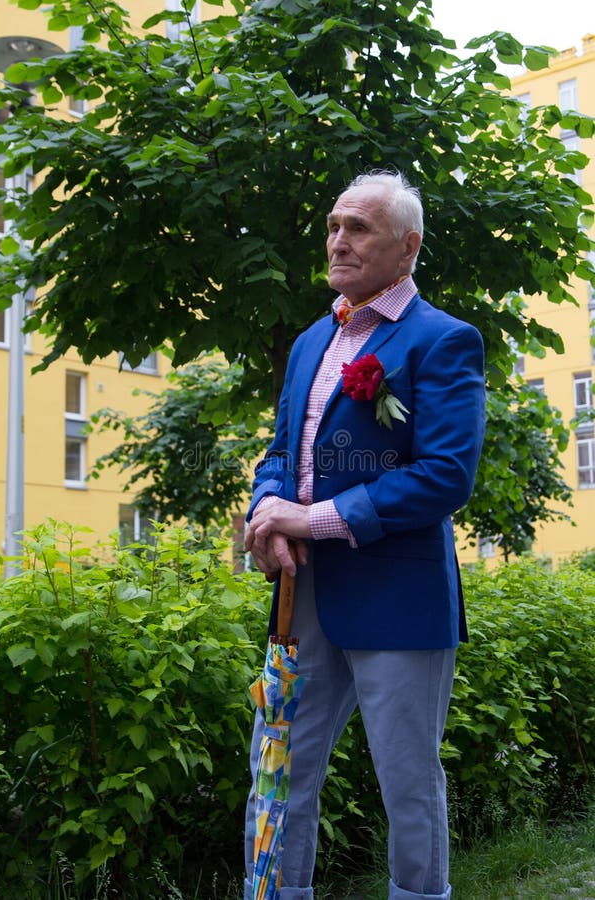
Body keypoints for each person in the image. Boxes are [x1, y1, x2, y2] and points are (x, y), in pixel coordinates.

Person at [243, 170, 485, 900]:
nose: (337, 239)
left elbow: (446, 474)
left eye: (359, 228)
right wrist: (265, 510)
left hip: (399, 599)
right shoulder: (311, 340)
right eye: (333, 225)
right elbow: (282, 451)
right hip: (302, 593)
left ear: (407, 247)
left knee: (407, 782)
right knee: (278, 768)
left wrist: (310, 519)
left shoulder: (444, 340)